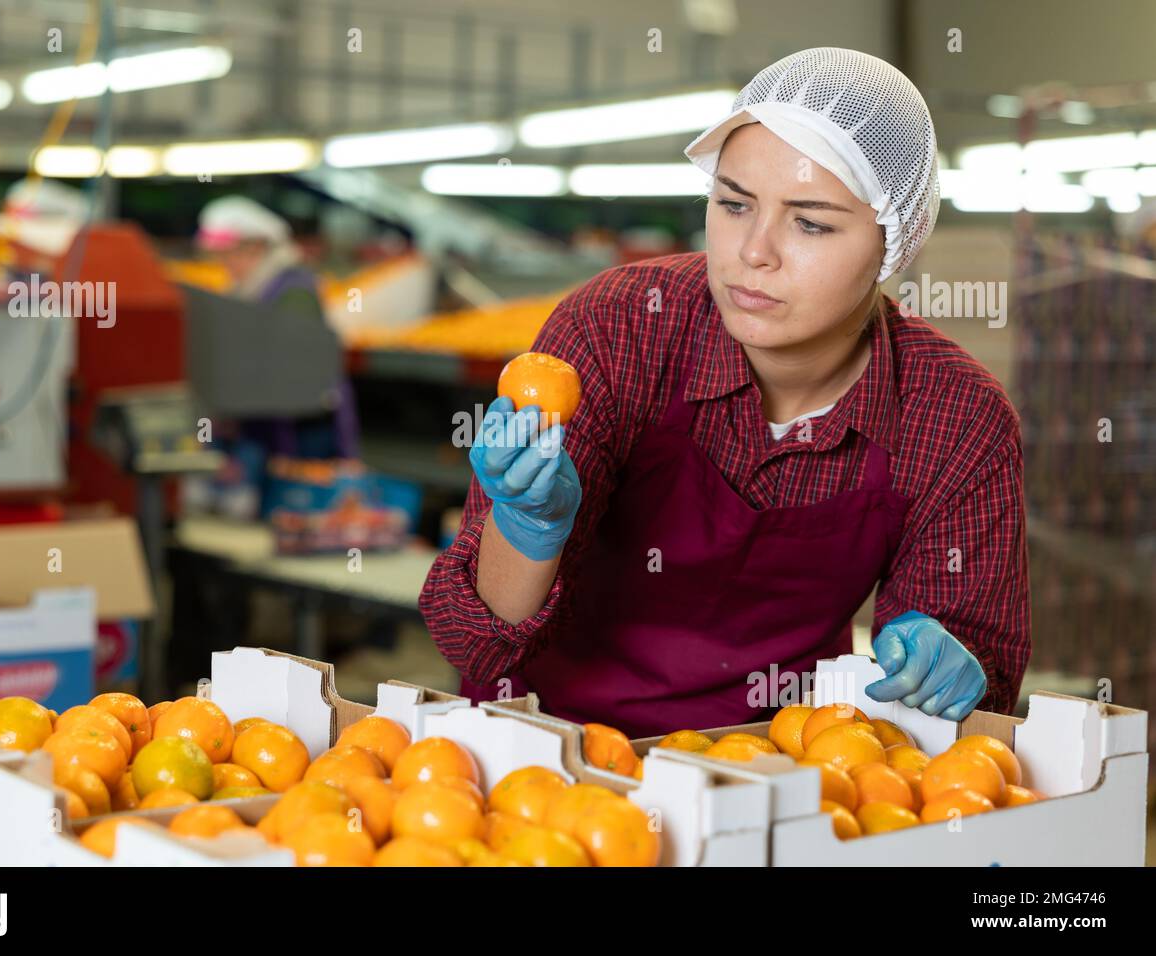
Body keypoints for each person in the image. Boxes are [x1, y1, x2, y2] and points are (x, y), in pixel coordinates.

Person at [419, 48, 1030, 737]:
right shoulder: (619, 328)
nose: (755, 251)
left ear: (894, 243)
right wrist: (524, 529)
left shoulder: (954, 416)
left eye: (811, 223)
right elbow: (471, 643)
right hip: (538, 755)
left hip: (772, 770)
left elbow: (976, 706)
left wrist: (949, 668)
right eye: (734, 204)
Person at [195, 195, 359, 461]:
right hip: (267, 417)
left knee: (301, 492)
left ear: (257, 247)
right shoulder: (245, 289)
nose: (225, 264)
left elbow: (291, 358)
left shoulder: (294, 289)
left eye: (230, 254)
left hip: (303, 421)